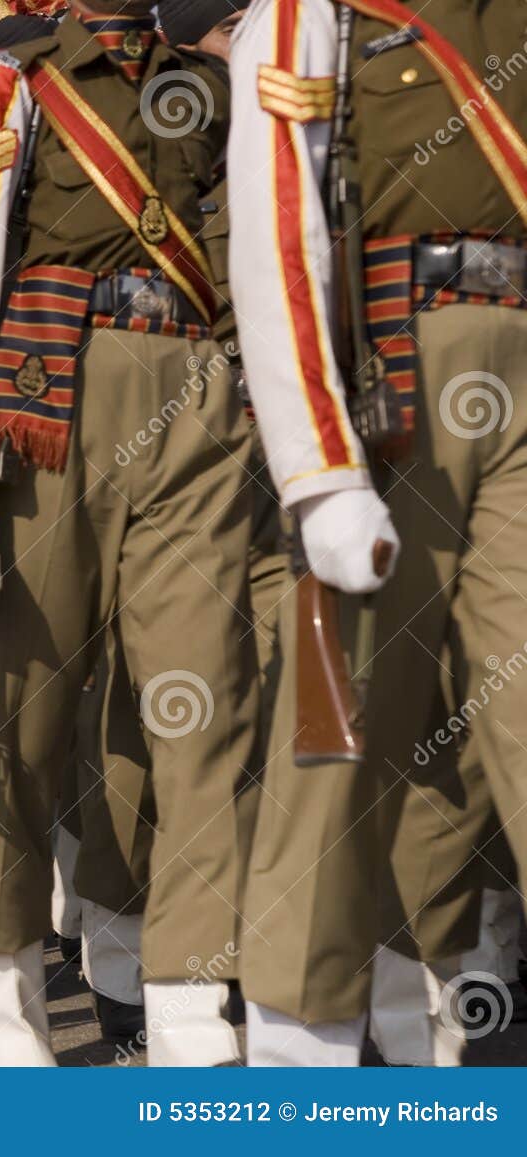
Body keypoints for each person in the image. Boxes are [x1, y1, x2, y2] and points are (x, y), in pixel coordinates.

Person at [0, 0, 252, 1065]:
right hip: (48, 409)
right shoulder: (9, 82)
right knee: (17, 720)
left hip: (196, 404)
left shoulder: (216, 89)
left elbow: (245, 257)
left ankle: (193, 1006)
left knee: (206, 714)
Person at [228, 0, 527, 1065]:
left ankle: (423, 1025)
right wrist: (315, 469)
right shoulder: (317, 16)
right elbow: (277, 229)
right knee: (340, 736)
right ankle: (298, 1056)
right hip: (392, 380)